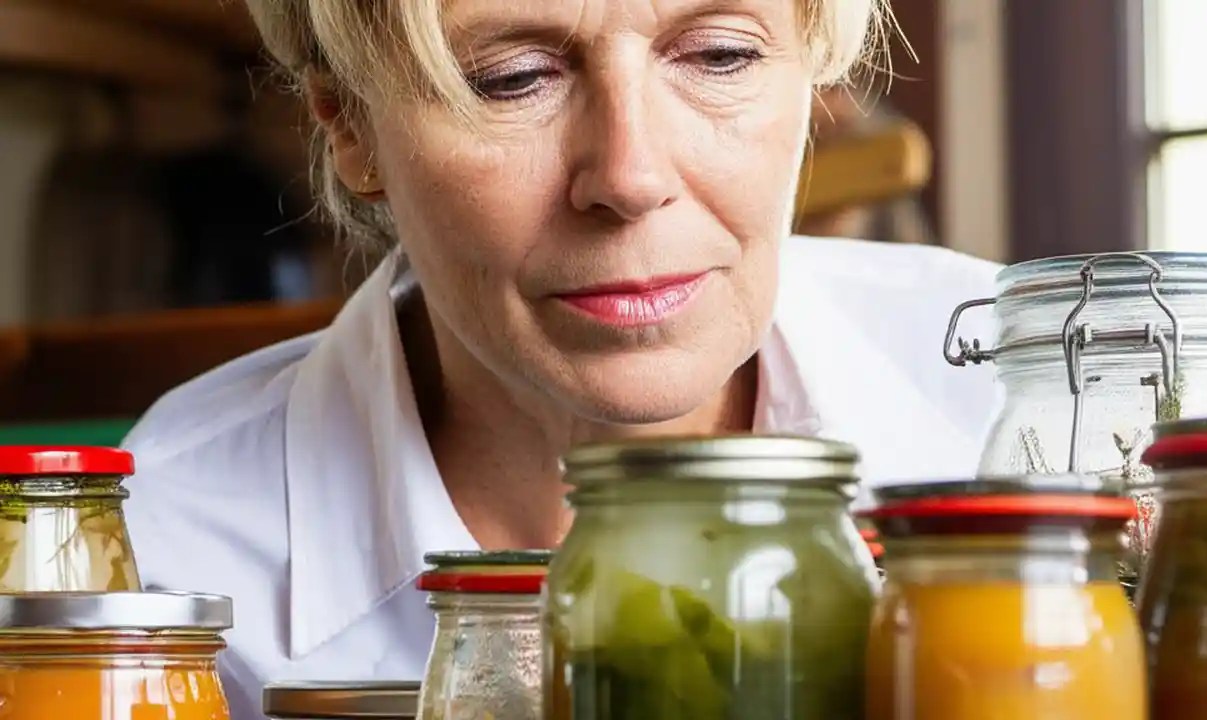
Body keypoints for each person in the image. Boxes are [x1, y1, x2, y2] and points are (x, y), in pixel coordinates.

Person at [121, 0, 1000, 716]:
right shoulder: (157, 568)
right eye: (514, 80)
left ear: (813, 77)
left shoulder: (1027, 407)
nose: (630, 174)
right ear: (349, 127)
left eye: (720, 57)